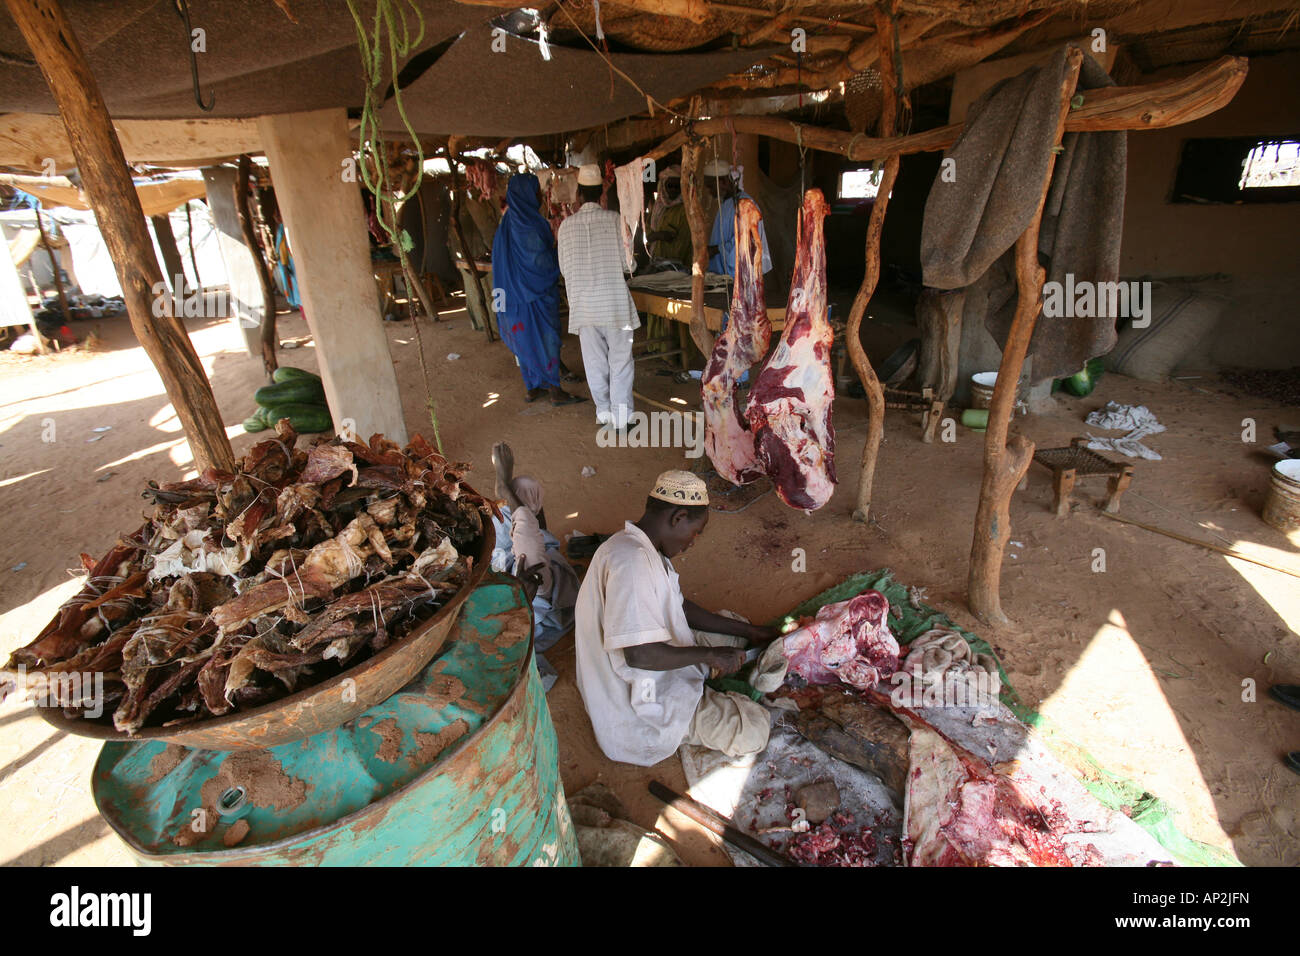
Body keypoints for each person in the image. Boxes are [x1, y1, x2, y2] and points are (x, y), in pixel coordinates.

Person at [574, 470, 784, 767]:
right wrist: (710, 655)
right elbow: (639, 655)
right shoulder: (631, 563)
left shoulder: (640, 545)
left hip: (656, 657)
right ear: (678, 517)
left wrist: (750, 630)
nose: (693, 542)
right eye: (696, 532)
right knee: (754, 731)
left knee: (734, 629)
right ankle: (693, 710)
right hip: (637, 701)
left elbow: (679, 607)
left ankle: (709, 674)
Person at [490, 441, 581, 691]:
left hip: (514, 576)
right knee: (535, 573)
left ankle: (511, 497)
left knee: (523, 493)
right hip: (526, 598)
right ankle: (509, 495)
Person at [557, 164, 641, 430]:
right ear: (601, 194)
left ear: (579, 194)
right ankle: (623, 418)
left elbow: (563, 269)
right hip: (614, 304)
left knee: (594, 364)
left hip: (584, 307)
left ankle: (604, 414)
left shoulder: (566, 227)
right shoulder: (617, 220)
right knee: (621, 362)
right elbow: (630, 266)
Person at [492, 173, 584, 406]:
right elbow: (541, 264)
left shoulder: (505, 225)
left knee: (525, 339)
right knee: (548, 338)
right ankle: (554, 390)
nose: (540, 197)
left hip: (512, 299)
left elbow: (499, 261)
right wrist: (559, 255)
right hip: (538, 295)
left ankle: (533, 387)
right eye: (536, 192)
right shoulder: (533, 224)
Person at [706, 160, 773, 278]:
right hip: (724, 276)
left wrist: (715, 249)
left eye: (711, 187)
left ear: (723, 182)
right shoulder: (726, 203)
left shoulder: (745, 205)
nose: (710, 192)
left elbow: (745, 241)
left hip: (742, 277)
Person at [645, 165, 692, 264]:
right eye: (670, 186)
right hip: (656, 261)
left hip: (676, 265)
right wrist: (659, 235)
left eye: (677, 187)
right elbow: (648, 234)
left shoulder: (685, 210)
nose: (674, 190)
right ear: (663, 186)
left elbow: (684, 242)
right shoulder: (656, 208)